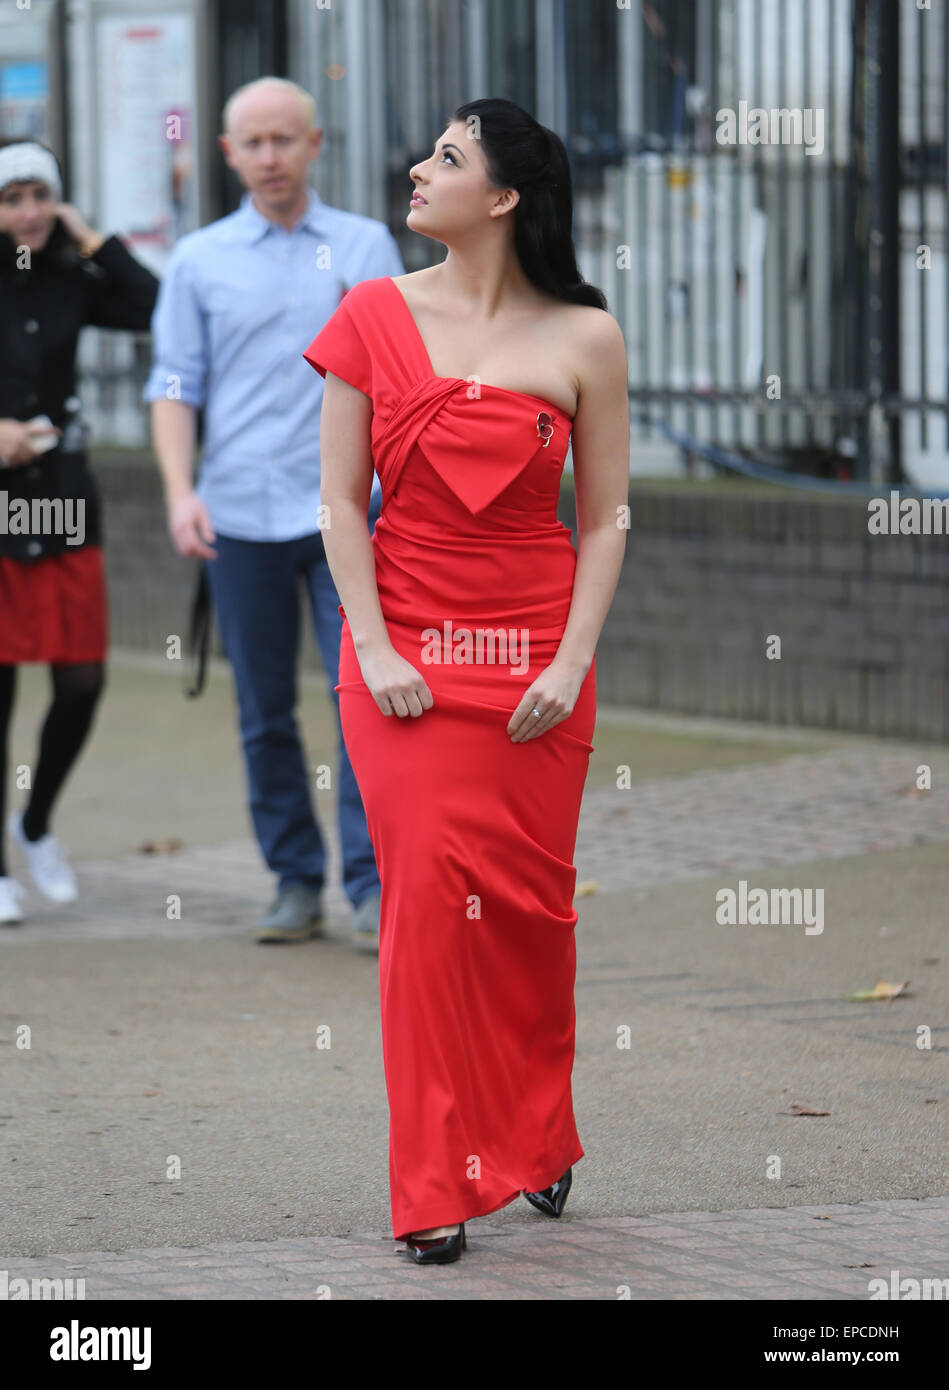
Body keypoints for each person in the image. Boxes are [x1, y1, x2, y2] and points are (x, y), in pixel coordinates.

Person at [302, 97, 629, 1263]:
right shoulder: (370, 313)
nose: (416, 167)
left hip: (541, 663)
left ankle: (533, 1135)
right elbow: (340, 501)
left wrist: (573, 658)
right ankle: (433, 1182)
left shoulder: (585, 336)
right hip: (399, 662)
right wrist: (376, 643)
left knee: (530, 920)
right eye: (427, 152)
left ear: (502, 198)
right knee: (430, 921)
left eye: (446, 157)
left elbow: (603, 519)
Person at [145, 78, 404, 950]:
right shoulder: (199, 259)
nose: (269, 157)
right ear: (227, 153)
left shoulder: (367, 247)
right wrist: (182, 494)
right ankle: (294, 880)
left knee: (361, 701)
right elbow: (174, 385)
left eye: (284, 140)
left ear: (314, 143)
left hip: (348, 520)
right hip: (240, 515)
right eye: (251, 143)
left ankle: (370, 886)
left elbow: (400, 384)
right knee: (263, 711)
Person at [0, 138, 159, 925]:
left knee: (81, 677)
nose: (26, 212)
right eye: (11, 196)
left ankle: (33, 825)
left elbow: (151, 305)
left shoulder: (72, 275)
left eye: (39, 195)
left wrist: (90, 237)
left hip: (63, 502)